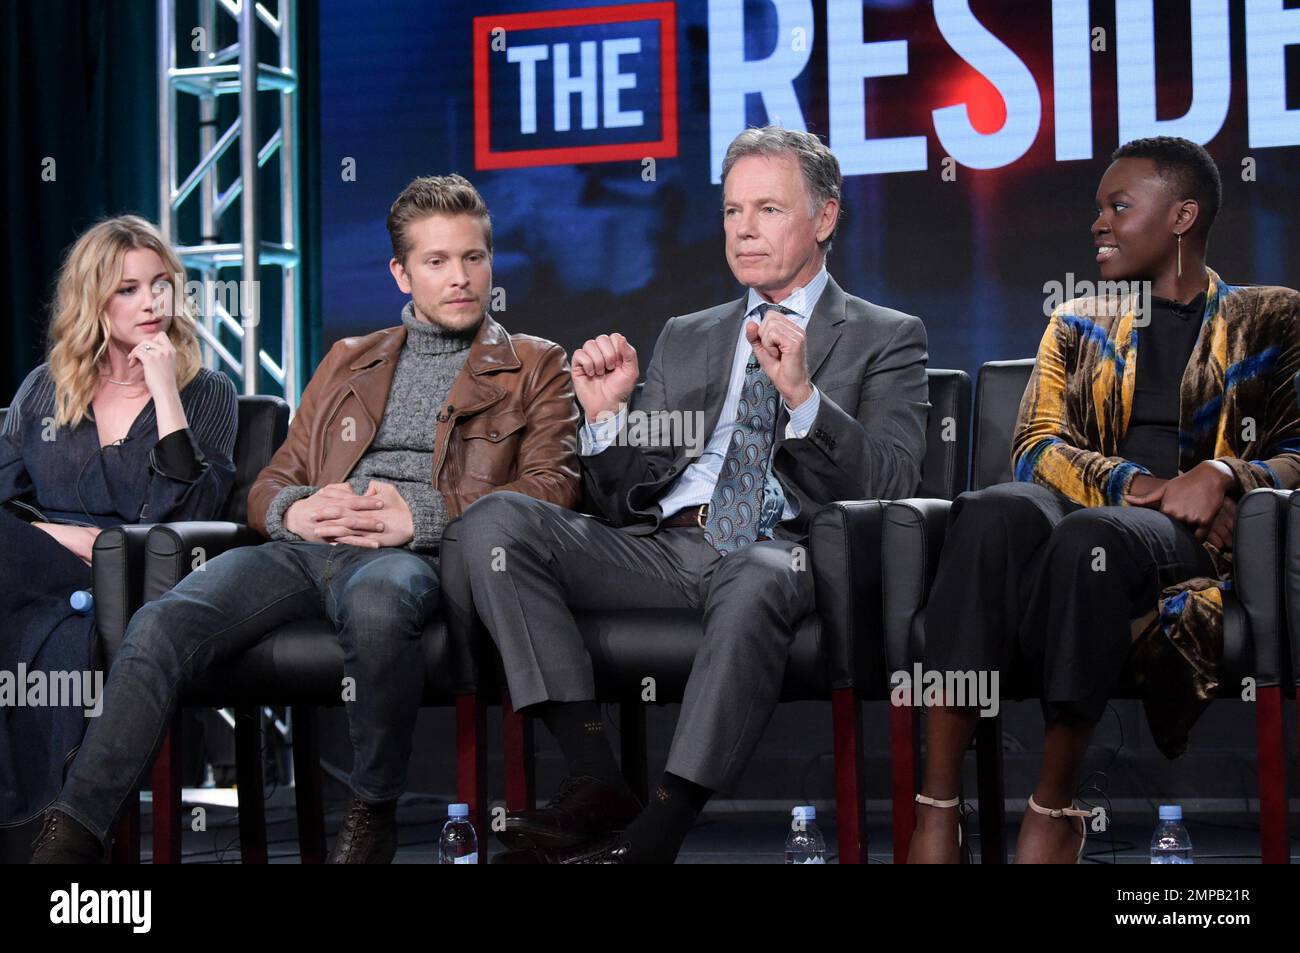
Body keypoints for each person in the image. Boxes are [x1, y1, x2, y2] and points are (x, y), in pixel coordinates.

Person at [30, 175, 581, 864]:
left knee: (381, 601)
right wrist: (299, 508)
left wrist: (423, 515)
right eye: (437, 261)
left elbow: (553, 489)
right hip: (304, 551)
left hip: (411, 556)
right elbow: (269, 485)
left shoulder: (534, 364)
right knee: (161, 620)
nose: (461, 277)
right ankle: (72, 833)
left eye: (473, 257)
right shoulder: (350, 357)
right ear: (400, 273)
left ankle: (371, 812)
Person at [451, 125, 929, 863]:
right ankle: (595, 777)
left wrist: (802, 397)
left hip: (781, 554)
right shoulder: (688, 334)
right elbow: (618, 501)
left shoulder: (887, 335)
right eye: (732, 211)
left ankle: (658, 831)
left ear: (825, 218)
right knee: (495, 524)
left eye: (767, 209)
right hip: (667, 548)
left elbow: (895, 484)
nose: (743, 230)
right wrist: (607, 421)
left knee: (758, 571)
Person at [908, 136, 1300, 864]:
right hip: (1091, 517)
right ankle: (936, 811)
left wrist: (1221, 473)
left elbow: (1297, 449)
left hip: (1190, 541)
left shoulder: (1271, 317)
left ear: (1182, 215)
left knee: (1094, 538)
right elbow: (1036, 446)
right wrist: (1135, 483)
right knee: (990, 508)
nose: (1098, 223)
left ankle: (1052, 807)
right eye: (1098, 207)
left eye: (1119, 206)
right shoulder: (1077, 320)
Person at [0, 215, 237, 861]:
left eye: (161, 285)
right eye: (129, 289)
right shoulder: (46, 389)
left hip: (143, 586)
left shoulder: (207, 392)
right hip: (40, 580)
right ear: (93, 300)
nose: (151, 302)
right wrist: (63, 535)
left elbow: (188, 511)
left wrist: (164, 390)